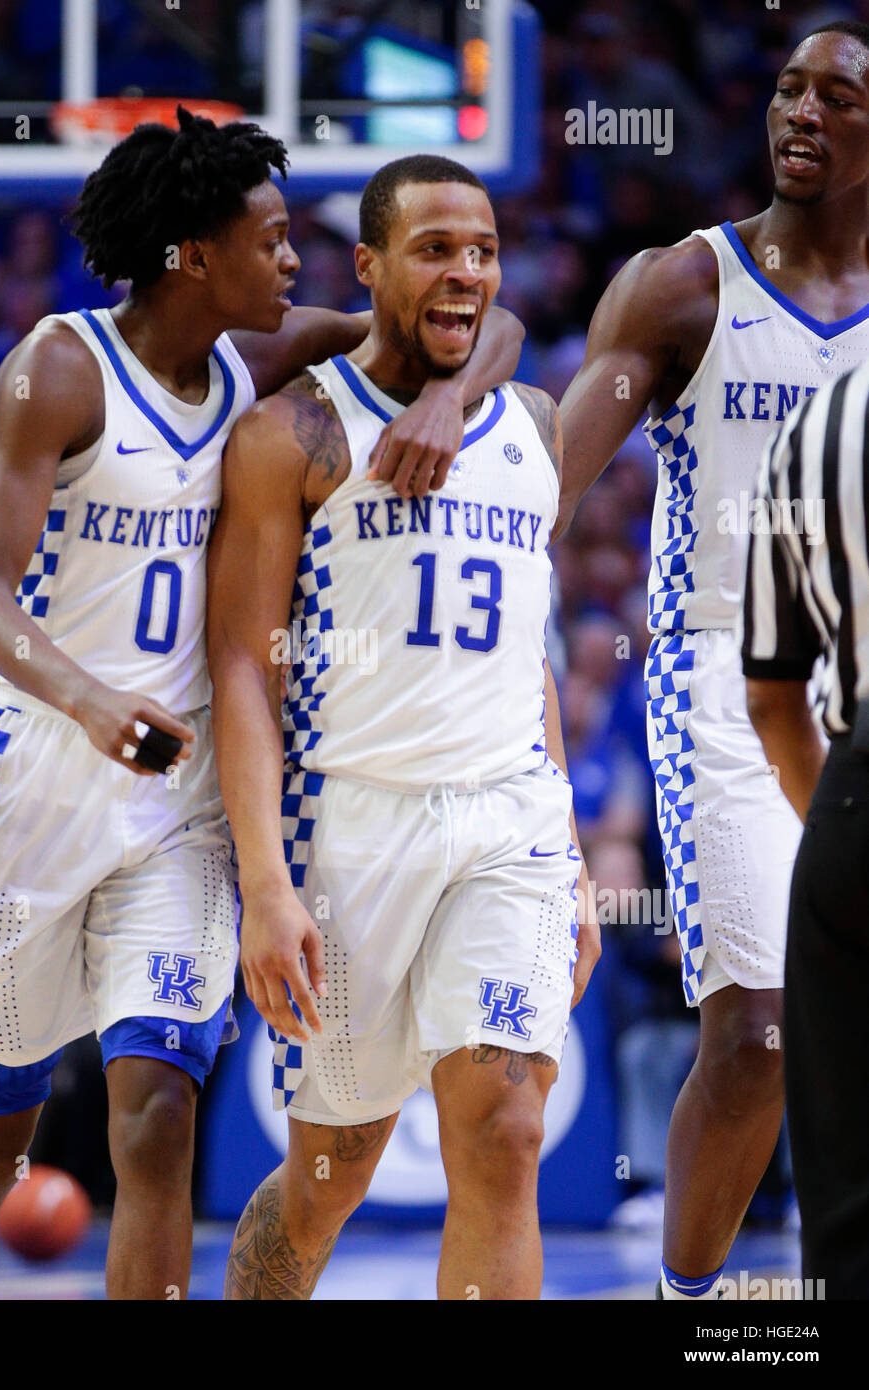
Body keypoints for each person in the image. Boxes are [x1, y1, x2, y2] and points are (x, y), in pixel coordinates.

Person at [0, 111, 524, 1301]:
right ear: (193, 253)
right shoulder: (58, 367)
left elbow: (483, 326)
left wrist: (447, 405)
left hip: (179, 803)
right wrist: (88, 700)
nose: (295, 263)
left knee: (155, 1123)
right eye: (273, 239)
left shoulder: (259, 357)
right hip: (28, 776)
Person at [207, 153, 598, 1301]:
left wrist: (567, 843)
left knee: (506, 1133)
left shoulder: (531, 420)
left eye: (481, 250)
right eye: (434, 250)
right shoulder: (292, 436)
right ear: (369, 266)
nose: (466, 273)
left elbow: (527, 650)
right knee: (331, 1173)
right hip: (351, 824)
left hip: (507, 819)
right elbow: (243, 667)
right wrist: (266, 885)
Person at [554, 21, 869, 1299]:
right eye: (787, 87)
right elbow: (547, 486)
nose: (798, 111)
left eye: (835, 95)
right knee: (757, 1027)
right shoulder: (684, 284)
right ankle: (690, 1309)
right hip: (719, 676)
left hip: (863, 691)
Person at [742, 356, 869, 1298]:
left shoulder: (810, 429)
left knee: (846, 1207)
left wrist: (838, 823)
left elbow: (771, 698)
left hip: (853, 802)